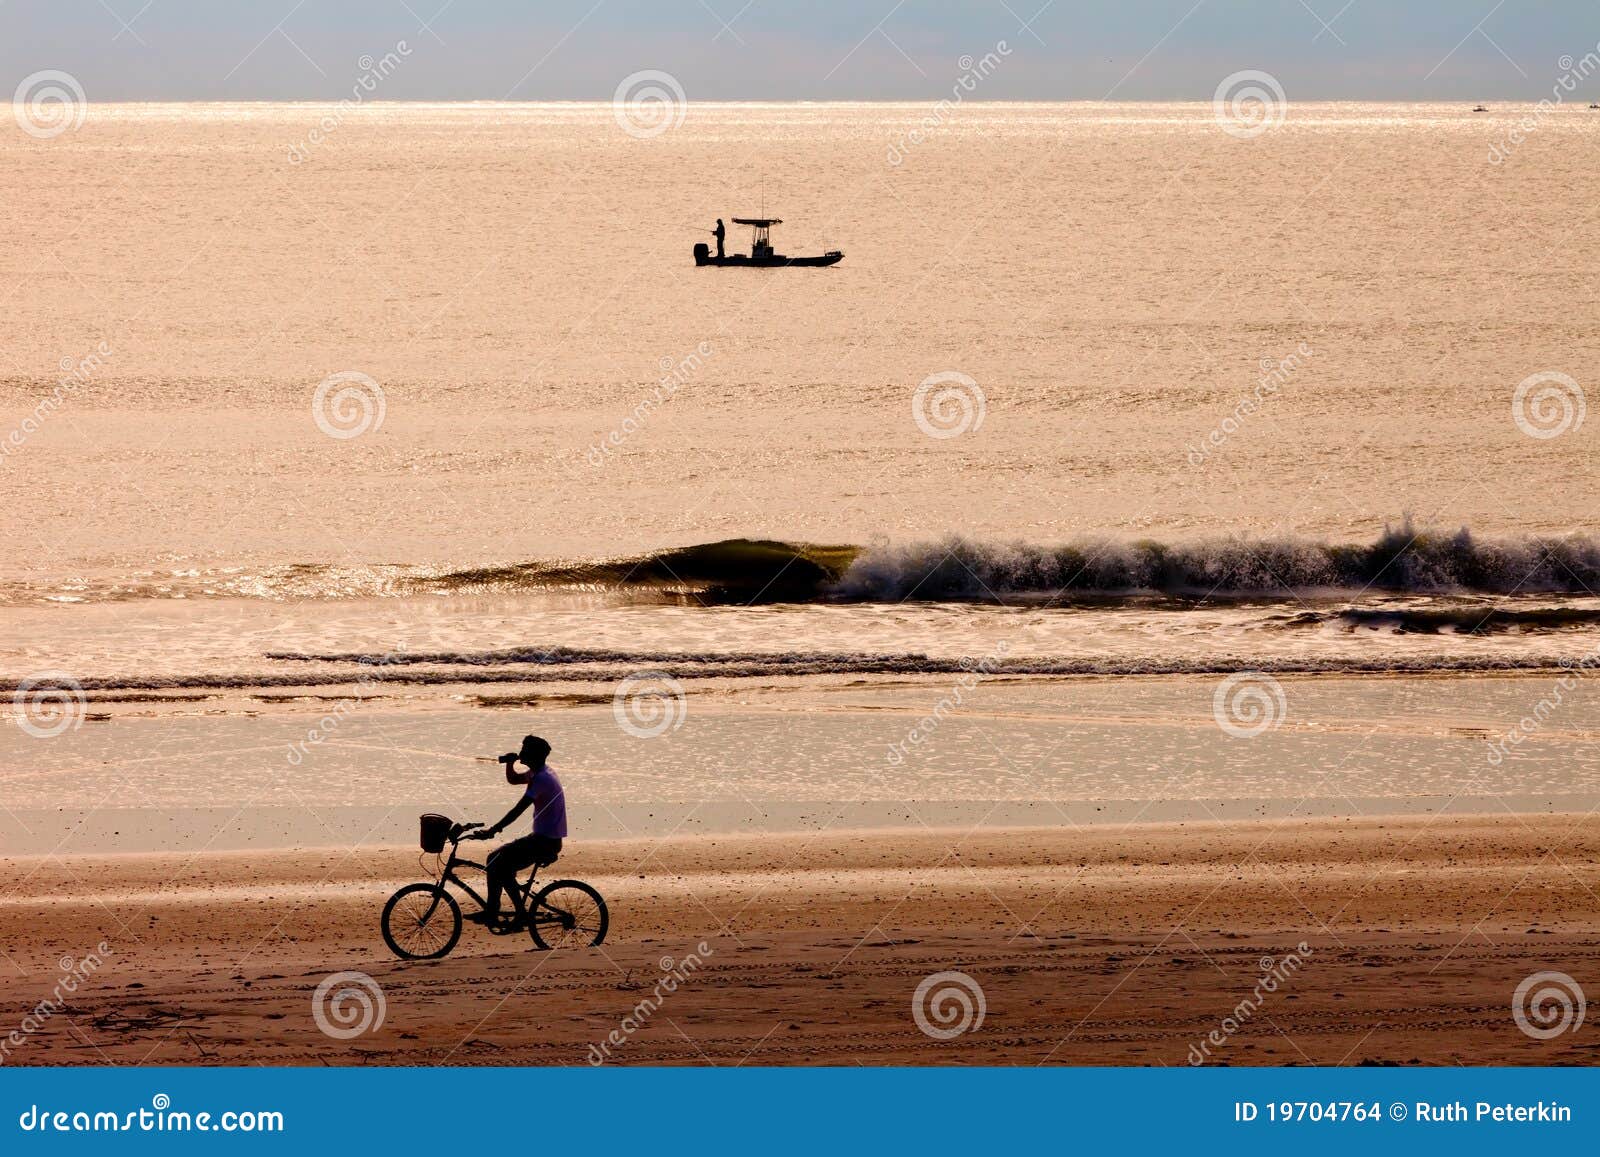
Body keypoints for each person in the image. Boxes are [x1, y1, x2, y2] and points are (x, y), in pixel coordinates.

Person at [467, 734, 567, 929]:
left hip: (545, 842)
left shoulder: (542, 778)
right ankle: (500, 911)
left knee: (495, 862)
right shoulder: (538, 772)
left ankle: (506, 913)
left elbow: (518, 810)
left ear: (533, 755)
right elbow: (513, 779)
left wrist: (493, 830)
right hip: (544, 839)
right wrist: (509, 764)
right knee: (499, 863)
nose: (521, 752)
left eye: (524, 750)